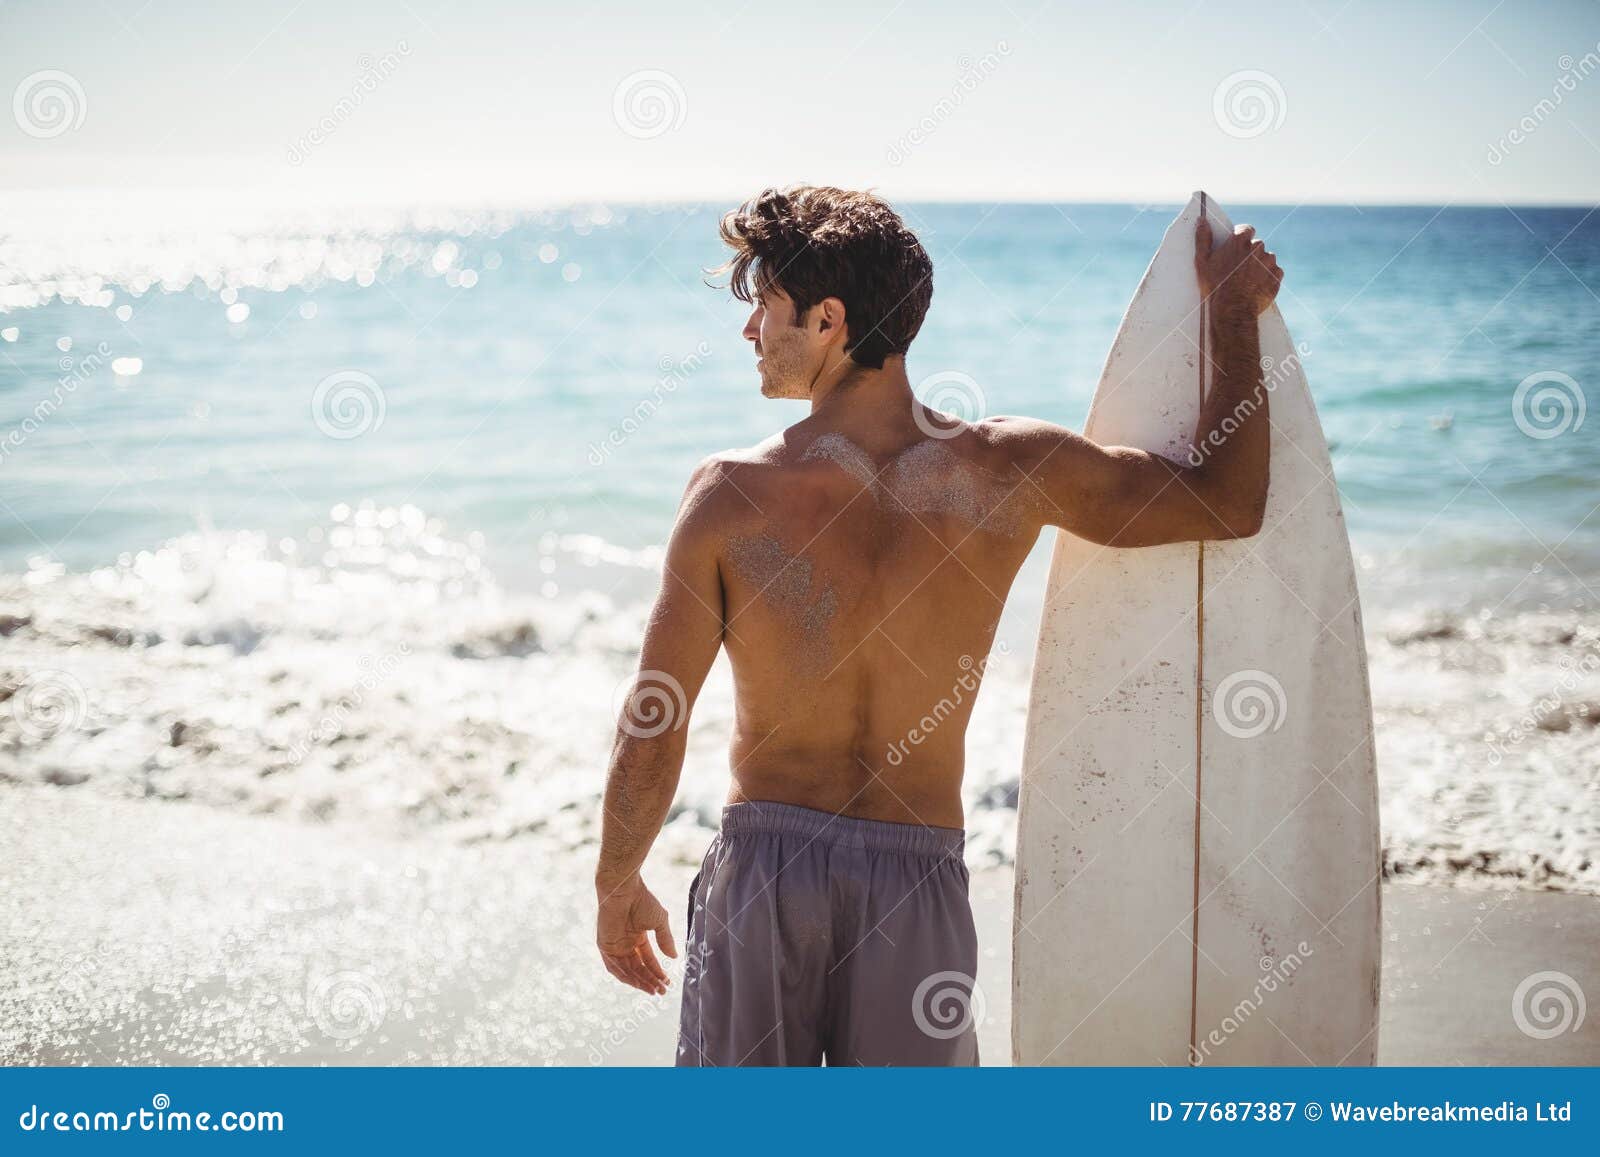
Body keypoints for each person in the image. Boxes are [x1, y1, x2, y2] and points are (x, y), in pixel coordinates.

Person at [593, 186, 1282, 1066]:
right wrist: (1231, 319)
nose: (748, 333)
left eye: (763, 307)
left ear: (828, 320)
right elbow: (1226, 503)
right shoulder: (1013, 470)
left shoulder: (730, 496)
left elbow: (657, 711)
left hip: (768, 876)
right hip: (914, 883)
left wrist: (617, 881)